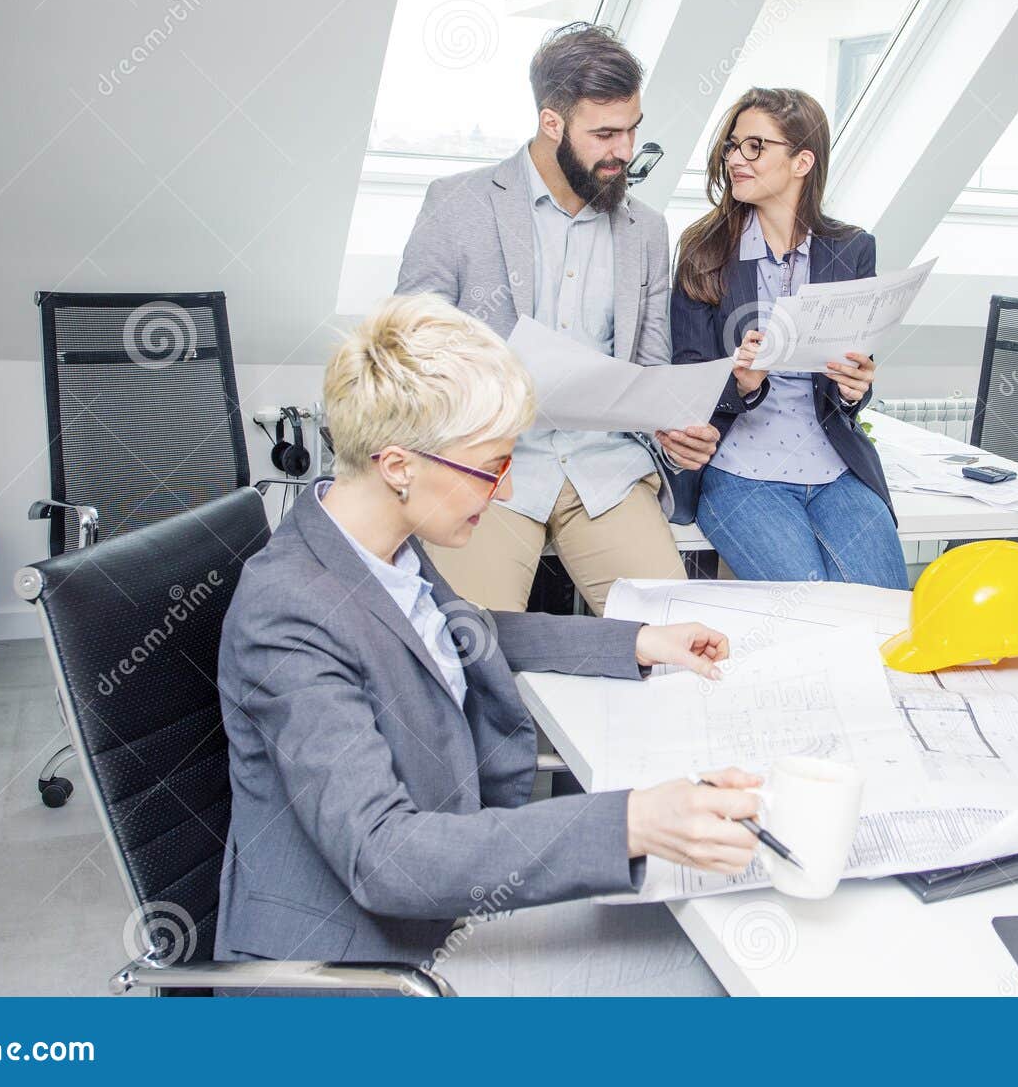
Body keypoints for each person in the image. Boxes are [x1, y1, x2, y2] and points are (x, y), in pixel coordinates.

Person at [214, 295, 760, 995]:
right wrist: (633, 821)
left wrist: (638, 641)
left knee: (690, 930)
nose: (504, 493)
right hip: (361, 962)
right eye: (491, 467)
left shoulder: (374, 540)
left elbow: (459, 629)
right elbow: (385, 857)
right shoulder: (290, 614)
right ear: (399, 465)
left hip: (438, 902)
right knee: (708, 969)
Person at [395, 21, 718, 616]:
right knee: (470, 646)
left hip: (604, 468)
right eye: (605, 134)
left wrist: (670, 430)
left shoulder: (646, 229)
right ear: (551, 122)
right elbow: (409, 350)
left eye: (632, 129)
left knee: (683, 634)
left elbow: (651, 369)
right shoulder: (458, 204)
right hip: (488, 466)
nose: (624, 151)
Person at [669, 87, 907, 589]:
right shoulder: (703, 250)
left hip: (835, 469)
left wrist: (854, 388)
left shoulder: (851, 249)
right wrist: (742, 384)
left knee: (887, 609)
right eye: (733, 146)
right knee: (812, 607)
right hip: (740, 470)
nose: (736, 159)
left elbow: (849, 383)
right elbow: (686, 379)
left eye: (755, 147)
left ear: (802, 161)